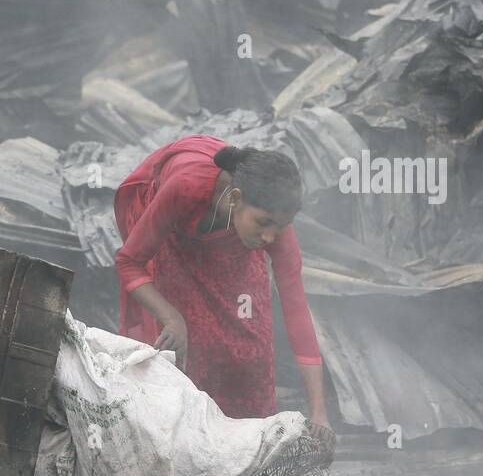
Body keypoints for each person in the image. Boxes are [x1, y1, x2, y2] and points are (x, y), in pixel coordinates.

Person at [114, 135, 329, 425]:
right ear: (235, 198)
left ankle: (246, 441)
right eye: (263, 223)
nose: (269, 237)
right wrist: (172, 318)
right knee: (186, 346)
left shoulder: (272, 225)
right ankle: (189, 438)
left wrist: (319, 412)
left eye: (279, 228)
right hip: (174, 233)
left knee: (250, 342)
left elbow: (296, 307)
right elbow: (129, 262)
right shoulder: (185, 188)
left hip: (232, 230)